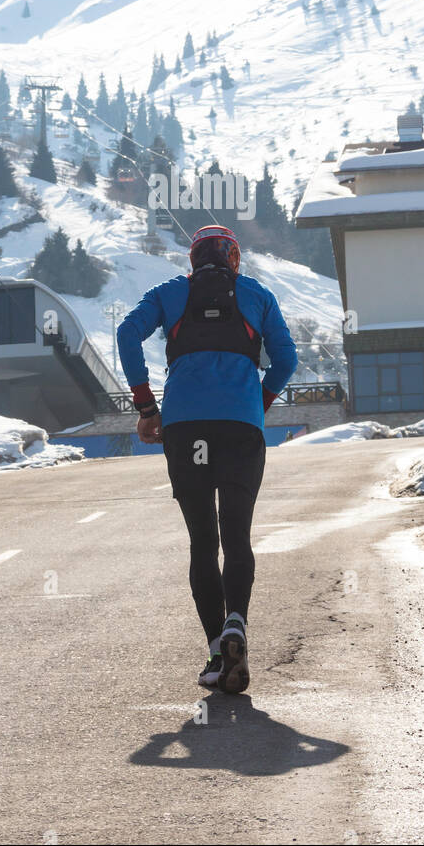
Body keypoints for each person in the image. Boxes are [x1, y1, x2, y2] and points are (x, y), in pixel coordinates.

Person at [117, 224, 297, 693]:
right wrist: (261, 400)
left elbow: (126, 334)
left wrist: (145, 406)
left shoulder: (169, 293)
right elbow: (287, 357)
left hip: (185, 426)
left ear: (193, 260)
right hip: (240, 425)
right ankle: (237, 621)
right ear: (234, 258)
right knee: (237, 533)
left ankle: (218, 650)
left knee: (203, 541)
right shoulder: (257, 294)